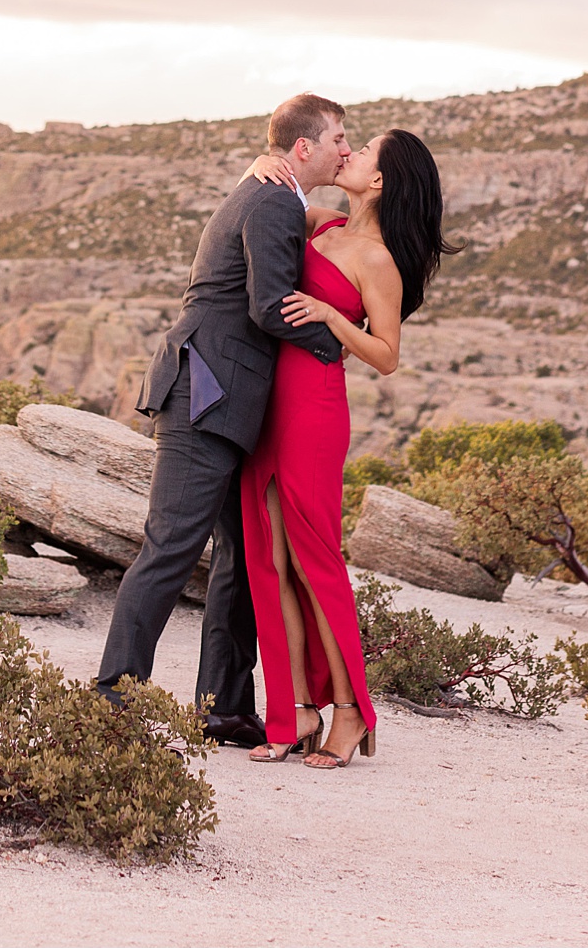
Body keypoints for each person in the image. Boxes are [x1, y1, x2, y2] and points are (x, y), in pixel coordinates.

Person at [95, 94, 353, 744]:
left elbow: (308, 230)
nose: (345, 150)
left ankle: (225, 707)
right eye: (338, 139)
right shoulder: (269, 198)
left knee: (241, 556)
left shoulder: (277, 193)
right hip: (204, 391)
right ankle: (111, 702)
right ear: (303, 147)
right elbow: (269, 306)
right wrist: (338, 347)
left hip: (231, 402)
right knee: (171, 548)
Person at [240, 129, 447, 768]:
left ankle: (353, 710)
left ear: (380, 181)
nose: (348, 154)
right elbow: (269, 199)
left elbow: (387, 356)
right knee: (267, 553)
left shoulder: (378, 259)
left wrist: (333, 318)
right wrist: (261, 164)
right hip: (269, 398)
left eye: (363, 153)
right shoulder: (323, 223)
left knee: (312, 557)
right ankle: (296, 708)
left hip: (315, 406)